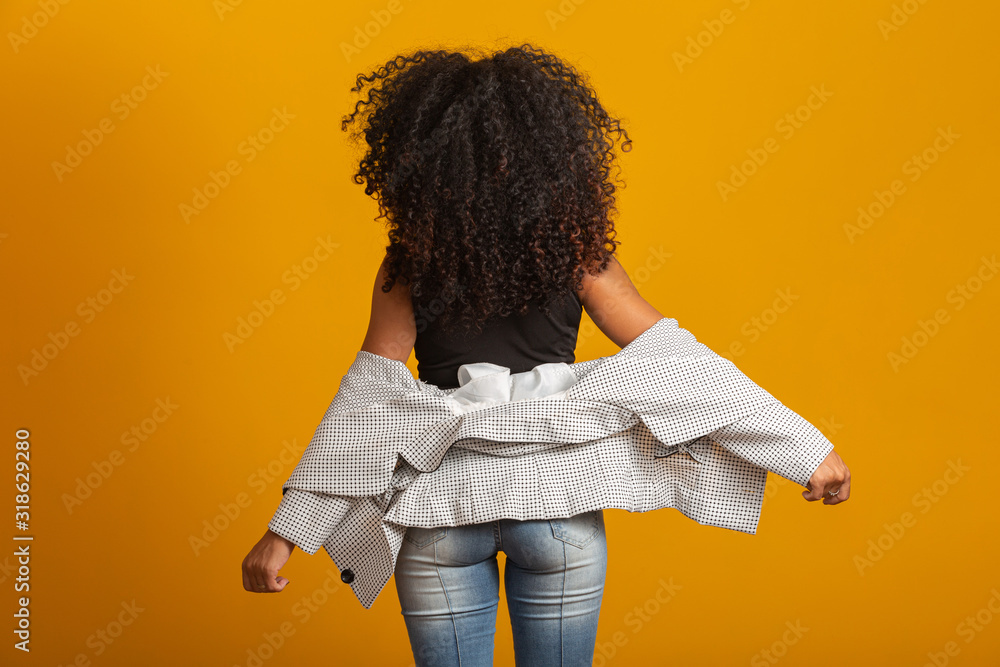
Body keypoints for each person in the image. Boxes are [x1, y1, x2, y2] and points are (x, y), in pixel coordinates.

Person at [242, 43, 851, 666]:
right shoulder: (578, 251)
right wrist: (805, 450)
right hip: (558, 511)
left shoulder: (409, 264)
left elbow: (366, 402)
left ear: (421, 161)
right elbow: (677, 362)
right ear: (549, 157)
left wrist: (286, 535)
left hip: (439, 512)